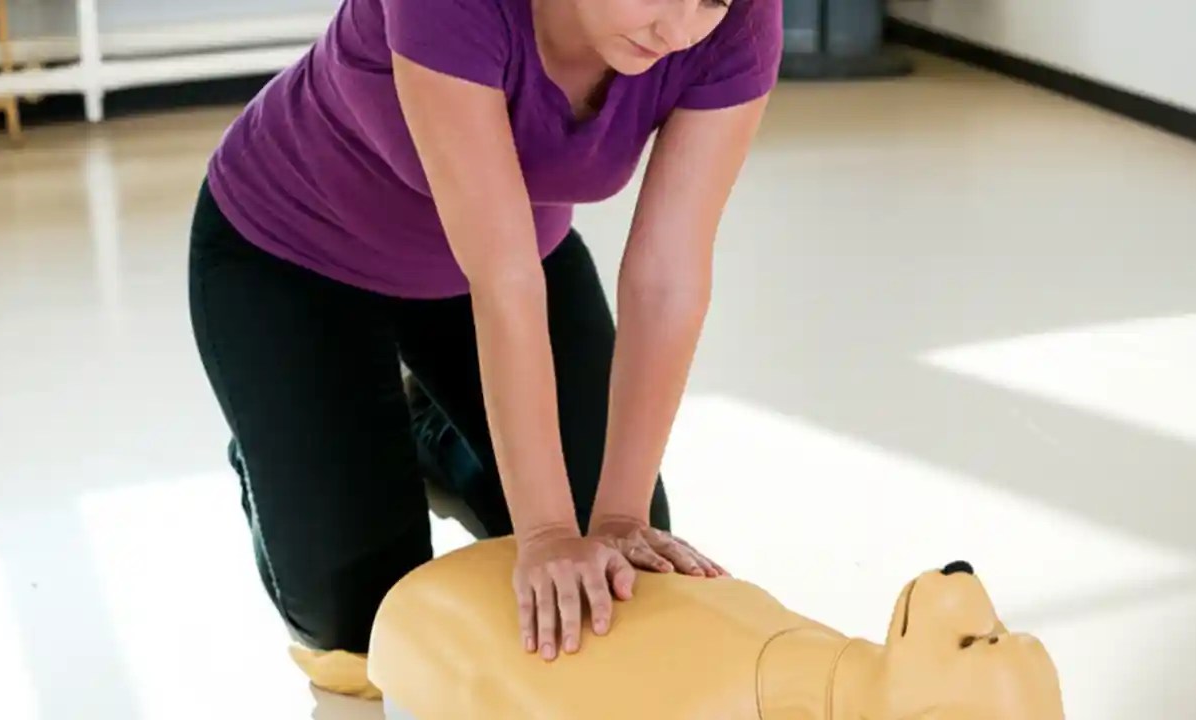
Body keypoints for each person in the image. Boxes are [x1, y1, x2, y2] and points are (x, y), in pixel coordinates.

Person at [187, 0, 782, 698]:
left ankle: (432, 429)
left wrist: (619, 516)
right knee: (362, 624)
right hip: (291, 256)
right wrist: (548, 533)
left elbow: (667, 279)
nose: (679, 31)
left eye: (709, 0)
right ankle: (277, 447)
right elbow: (504, 284)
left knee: (619, 564)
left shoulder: (738, 18)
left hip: (504, 264)